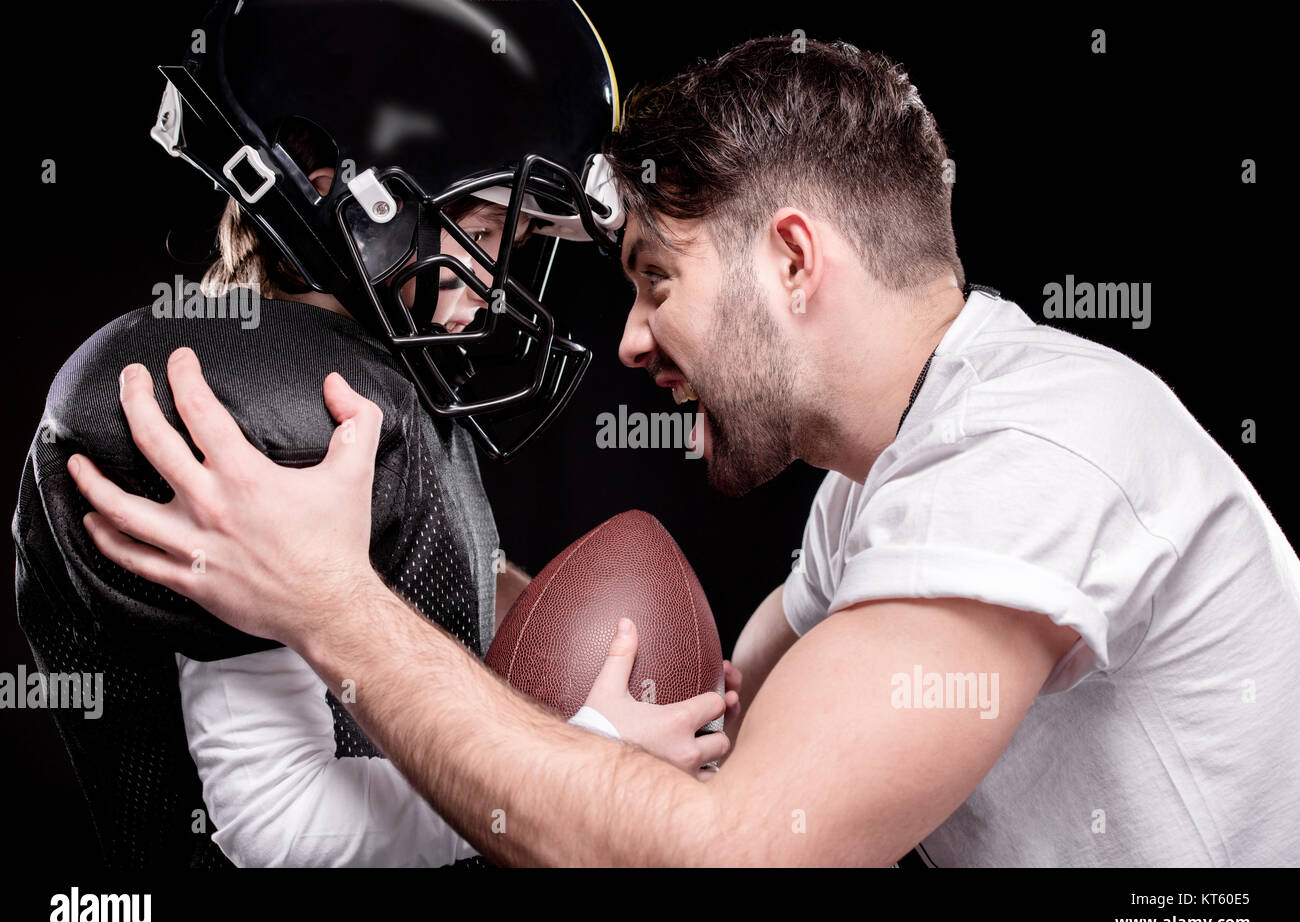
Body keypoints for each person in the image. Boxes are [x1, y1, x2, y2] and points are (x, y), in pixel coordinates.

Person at [66, 36, 1300, 865]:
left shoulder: (1031, 454)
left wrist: (330, 607)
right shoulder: (883, 492)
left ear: (794, 261)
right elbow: (700, 729)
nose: (631, 338)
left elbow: (730, 853)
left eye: (656, 278)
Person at [13, 0, 732, 868]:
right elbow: (276, 826)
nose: (499, 282)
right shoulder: (256, 407)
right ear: (343, 197)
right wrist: (586, 754)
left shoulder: (367, 379)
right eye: (487, 231)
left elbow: (413, 603)